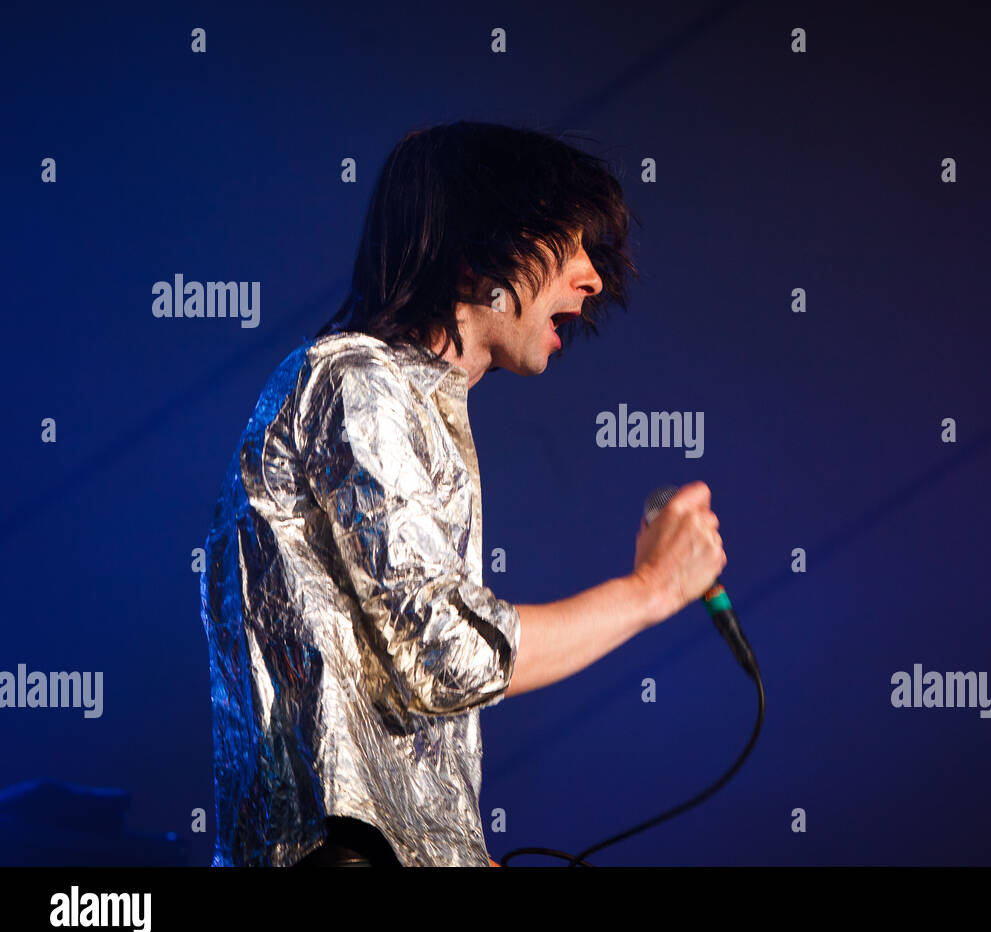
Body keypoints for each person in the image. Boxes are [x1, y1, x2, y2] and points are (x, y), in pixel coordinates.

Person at [199, 120, 726, 867]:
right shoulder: (360, 382)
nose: (592, 277)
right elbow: (444, 655)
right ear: (485, 247)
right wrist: (651, 590)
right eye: (568, 245)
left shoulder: (417, 407)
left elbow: (398, 695)